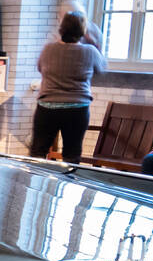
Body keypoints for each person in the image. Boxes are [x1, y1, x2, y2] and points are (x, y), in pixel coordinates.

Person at [30, 11, 106, 164]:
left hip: (47, 107)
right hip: (77, 109)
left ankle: (34, 178)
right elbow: (101, 69)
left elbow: (40, 68)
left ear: (62, 28)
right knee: (71, 154)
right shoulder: (90, 51)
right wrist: (95, 44)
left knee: (38, 152)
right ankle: (68, 179)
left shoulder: (48, 49)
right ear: (82, 31)